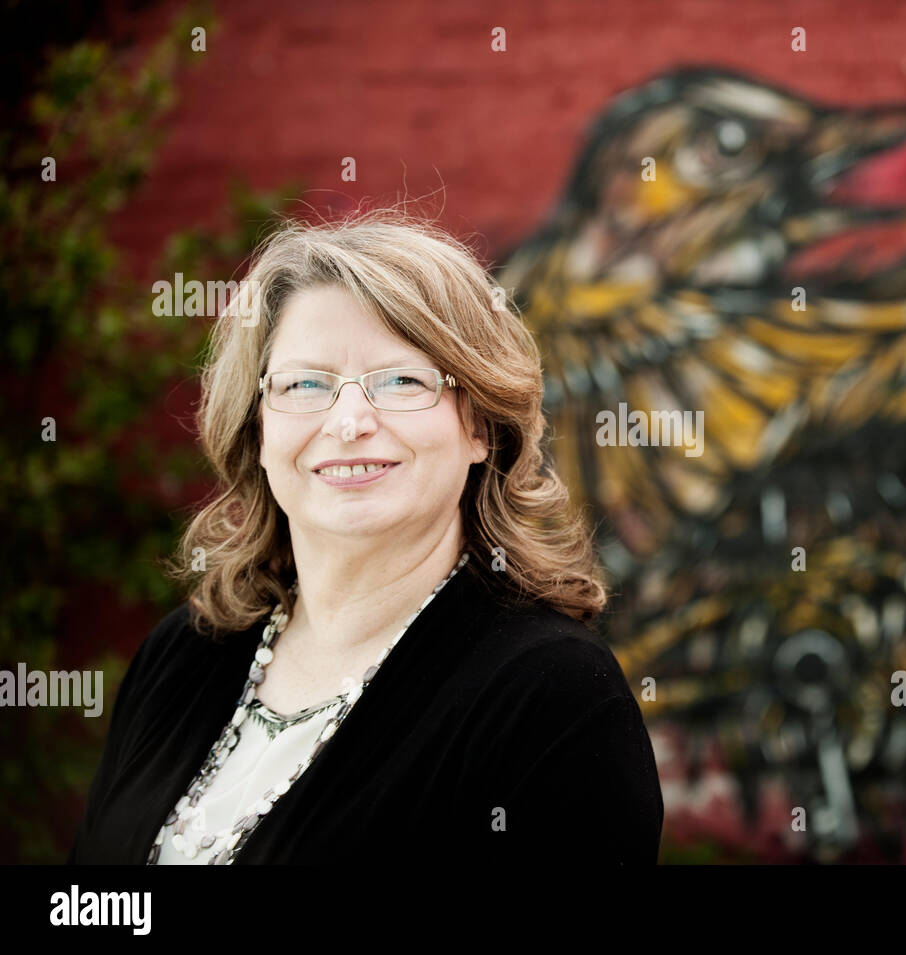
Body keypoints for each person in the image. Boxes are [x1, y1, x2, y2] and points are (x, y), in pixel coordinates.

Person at [66, 211, 664, 865]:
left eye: (401, 381)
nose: (349, 421)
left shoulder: (551, 695)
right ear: (259, 430)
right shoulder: (183, 653)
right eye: (305, 384)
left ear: (480, 427)